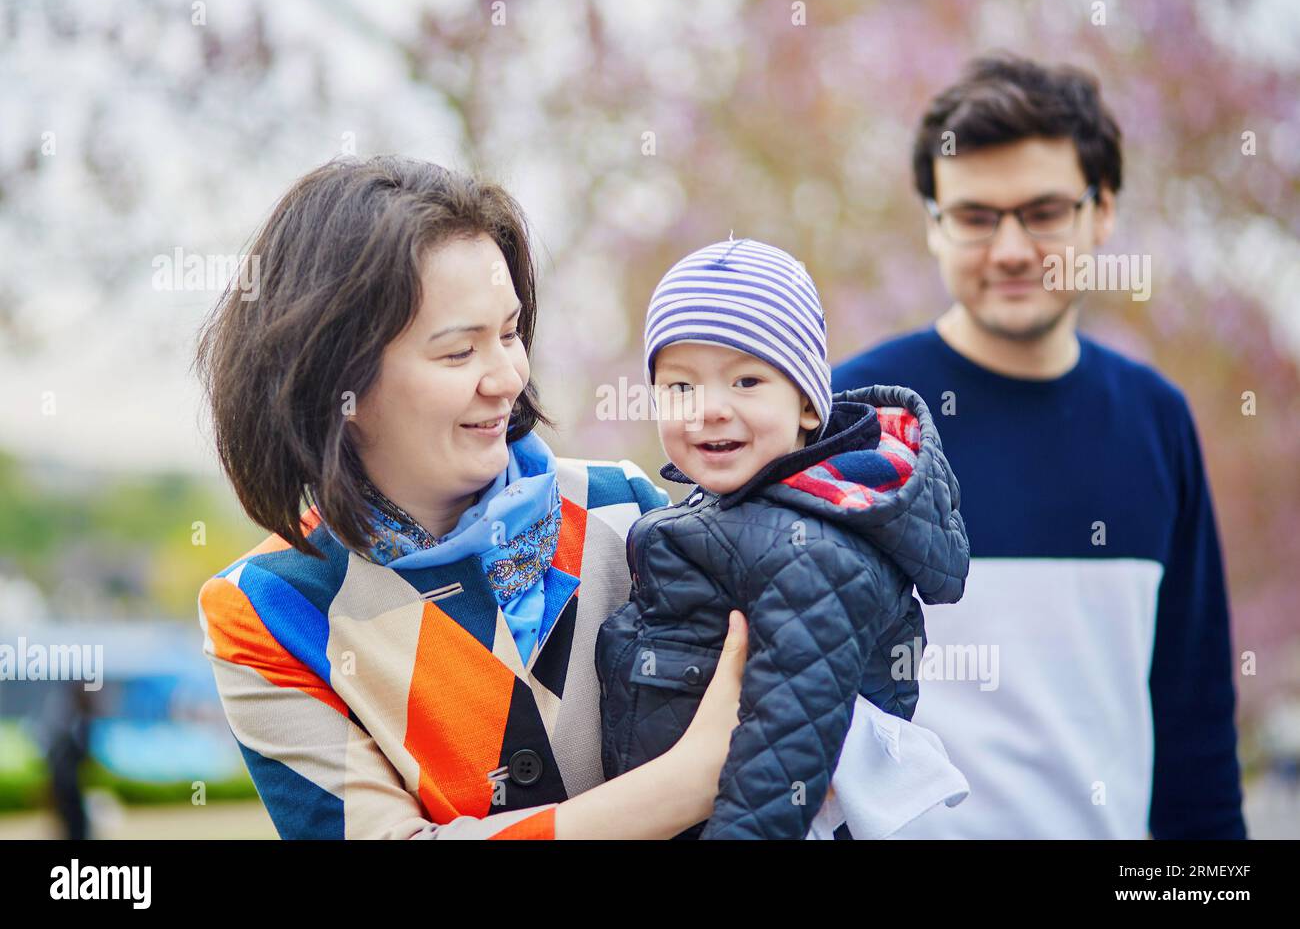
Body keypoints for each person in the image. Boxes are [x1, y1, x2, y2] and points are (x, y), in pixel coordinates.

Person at [193, 155, 750, 839]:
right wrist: (682, 787)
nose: (507, 378)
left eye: (511, 333)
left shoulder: (627, 511)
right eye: (459, 353)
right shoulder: (269, 608)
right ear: (337, 380)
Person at [832, 53, 1246, 838]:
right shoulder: (854, 417)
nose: (1013, 248)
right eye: (977, 216)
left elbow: (1196, 730)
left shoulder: (1157, 422)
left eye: (1045, 211)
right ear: (933, 223)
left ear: (1103, 213)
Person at [597, 238, 971, 839]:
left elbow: (783, 749)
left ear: (806, 404)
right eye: (681, 387)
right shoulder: (739, 509)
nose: (709, 409)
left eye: (745, 381)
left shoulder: (813, 547)